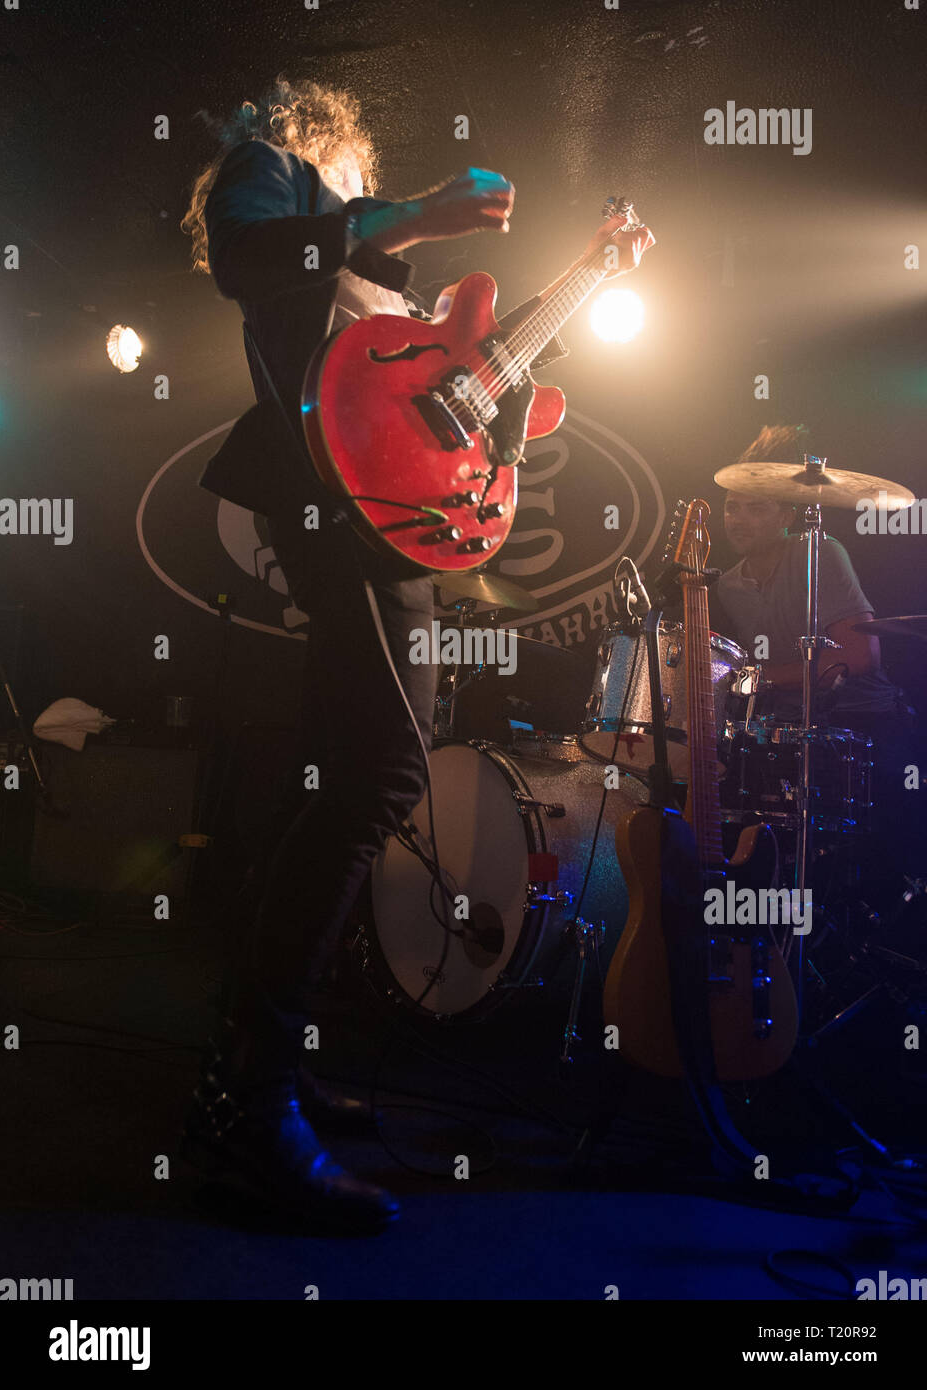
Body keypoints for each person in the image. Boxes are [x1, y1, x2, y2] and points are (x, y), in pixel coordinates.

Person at [179, 75, 653, 1234]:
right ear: (320, 142)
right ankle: (250, 1109)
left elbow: (466, 370)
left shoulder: (364, 269)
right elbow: (248, 255)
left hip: (397, 514)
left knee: (357, 782)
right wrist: (407, 212)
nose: (372, 192)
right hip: (336, 502)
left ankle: (256, 1069)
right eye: (362, 177)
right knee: (381, 780)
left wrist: (586, 275)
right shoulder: (274, 170)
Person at [715, 424, 920, 893]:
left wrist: (760, 679)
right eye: (732, 507)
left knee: (884, 865)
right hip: (787, 737)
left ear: (787, 512)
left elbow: (858, 656)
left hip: (863, 724)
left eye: (756, 507)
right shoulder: (727, 584)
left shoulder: (821, 553)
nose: (739, 519)